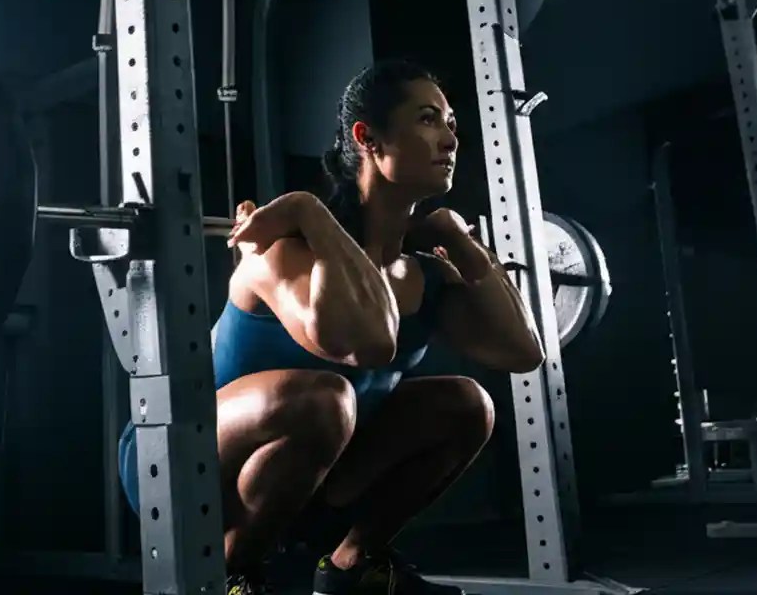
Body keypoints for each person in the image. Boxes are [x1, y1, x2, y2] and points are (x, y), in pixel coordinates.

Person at [117, 60, 545, 594]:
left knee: (467, 404)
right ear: (369, 139)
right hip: (184, 458)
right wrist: (307, 211)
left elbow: (524, 352)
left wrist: (461, 240)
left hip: (311, 469)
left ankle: (352, 568)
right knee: (324, 397)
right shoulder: (282, 249)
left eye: (452, 124)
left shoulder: (423, 275)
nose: (449, 139)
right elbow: (367, 343)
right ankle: (233, 574)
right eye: (429, 119)